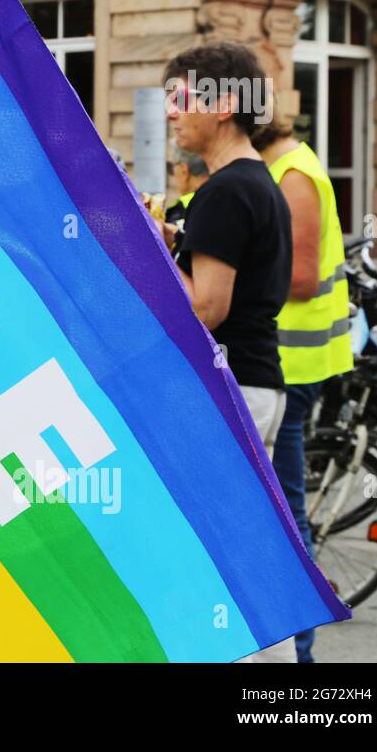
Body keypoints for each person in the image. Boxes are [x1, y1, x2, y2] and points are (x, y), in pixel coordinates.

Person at [156, 42, 296, 663]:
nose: (171, 113)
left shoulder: (226, 192)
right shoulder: (251, 183)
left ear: (225, 104)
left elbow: (207, 307)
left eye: (181, 98)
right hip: (255, 381)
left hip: (230, 383)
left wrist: (153, 251)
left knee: (213, 558)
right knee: (244, 550)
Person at [252, 117, 353, 664]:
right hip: (290, 359)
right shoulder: (285, 168)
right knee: (282, 503)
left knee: (285, 509)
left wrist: (230, 263)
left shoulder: (295, 175)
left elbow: (301, 278)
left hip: (296, 361)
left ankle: (302, 652)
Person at [165, 150, 210, 229]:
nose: (172, 175)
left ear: (184, 170)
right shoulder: (222, 195)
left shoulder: (180, 208)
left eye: (171, 168)